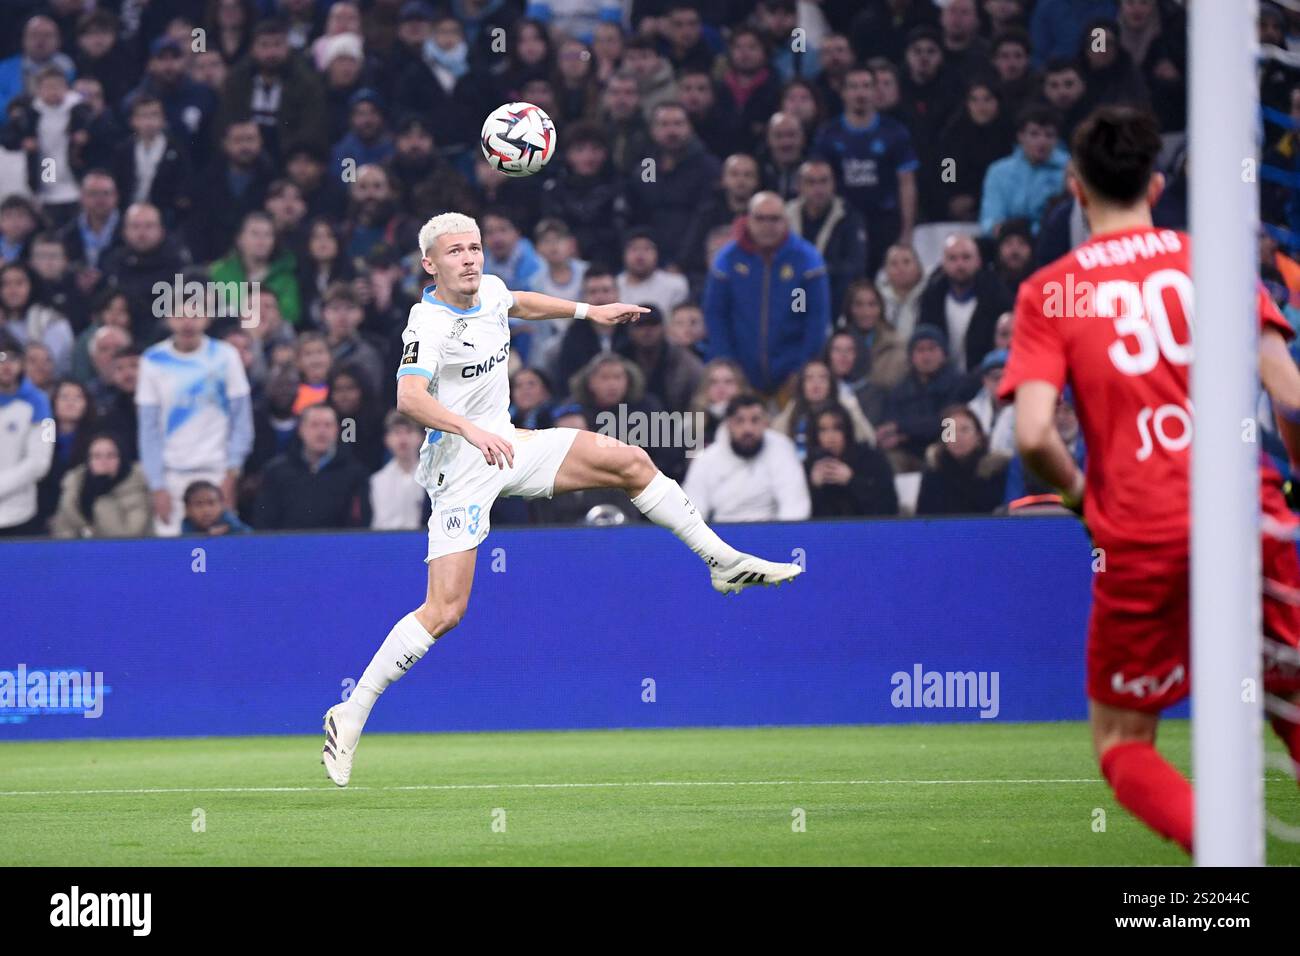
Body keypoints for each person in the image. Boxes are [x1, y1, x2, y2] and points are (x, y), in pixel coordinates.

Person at [321, 212, 803, 787]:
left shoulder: (490, 290)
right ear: (430, 264)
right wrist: (469, 429)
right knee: (446, 612)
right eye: (455, 252)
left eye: (475, 248)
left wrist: (587, 311)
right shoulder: (427, 322)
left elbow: (517, 301)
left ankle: (720, 562)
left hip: (512, 445)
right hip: (462, 469)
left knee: (631, 462)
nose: (470, 258)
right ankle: (352, 711)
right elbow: (408, 397)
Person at [999, 106, 1300, 855]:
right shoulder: (1216, 261)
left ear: (1074, 188)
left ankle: (1226, 860)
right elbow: (1291, 398)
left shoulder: (1051, 290)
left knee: (1123, 739)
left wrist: (1080, 500)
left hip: (1139, 525)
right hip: (1248, 511)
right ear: (1157, 184)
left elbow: (1033, 433)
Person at [136, 309, 253, 537]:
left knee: (221, 555)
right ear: (168, 319)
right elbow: (148, 429)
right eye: (180, 316)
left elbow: (242, 421)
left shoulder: (226, 356)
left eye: (195, 315)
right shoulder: (152, 360)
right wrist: (157, 485)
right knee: (173, 557)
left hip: (217, 471)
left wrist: (232, 472)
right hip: (172, 475)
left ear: (207, 319)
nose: (188, 323)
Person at [681, 392, 811, 523]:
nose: (748, 429)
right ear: (728, 424)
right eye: (740, 421)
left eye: (755, 420)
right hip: (720, 534)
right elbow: (691, 513)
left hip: (771, 533)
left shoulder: (782, 449)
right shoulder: (707, 459)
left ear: (765, 423)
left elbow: (795, 508)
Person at [254, 401, 371, 530]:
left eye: (328, 425)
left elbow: (359, 524)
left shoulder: (355, 474)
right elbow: (264, 523)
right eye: (314, 425)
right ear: (301, 430)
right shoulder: (276, 472)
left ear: (337, 430)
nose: (322, 431)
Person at [0, 332, 53, 536]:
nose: (6, 365)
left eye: (12, 358)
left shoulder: (42, 403)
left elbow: (41, 463)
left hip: (19, 514)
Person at [50, 432, 150, 538]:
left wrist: (101, 498)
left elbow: (128, 538)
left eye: (111, 456)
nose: (104, 462)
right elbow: (62, 531)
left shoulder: (136, 491)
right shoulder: (74, 488)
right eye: (96, 456)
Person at [806, 403, 898, 518]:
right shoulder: (808, 466)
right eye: (823, 430)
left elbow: (889, 508)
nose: (830, 437)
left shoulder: (872, 459)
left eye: (837, 428)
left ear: (847, 431)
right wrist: (814, 487)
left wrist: (852, 481)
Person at [915, 403, 1008, 515]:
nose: (957, 437)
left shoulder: (996, 471)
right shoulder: (933, 471)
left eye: (964, 430)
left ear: (978, 436)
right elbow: (923, 517)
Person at [370, 410, 425, 531]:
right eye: (397, 432)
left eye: (409, 432)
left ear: (421, 437)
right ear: (387, 439)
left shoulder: (432, 477)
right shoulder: (377, 481)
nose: (403, 439)